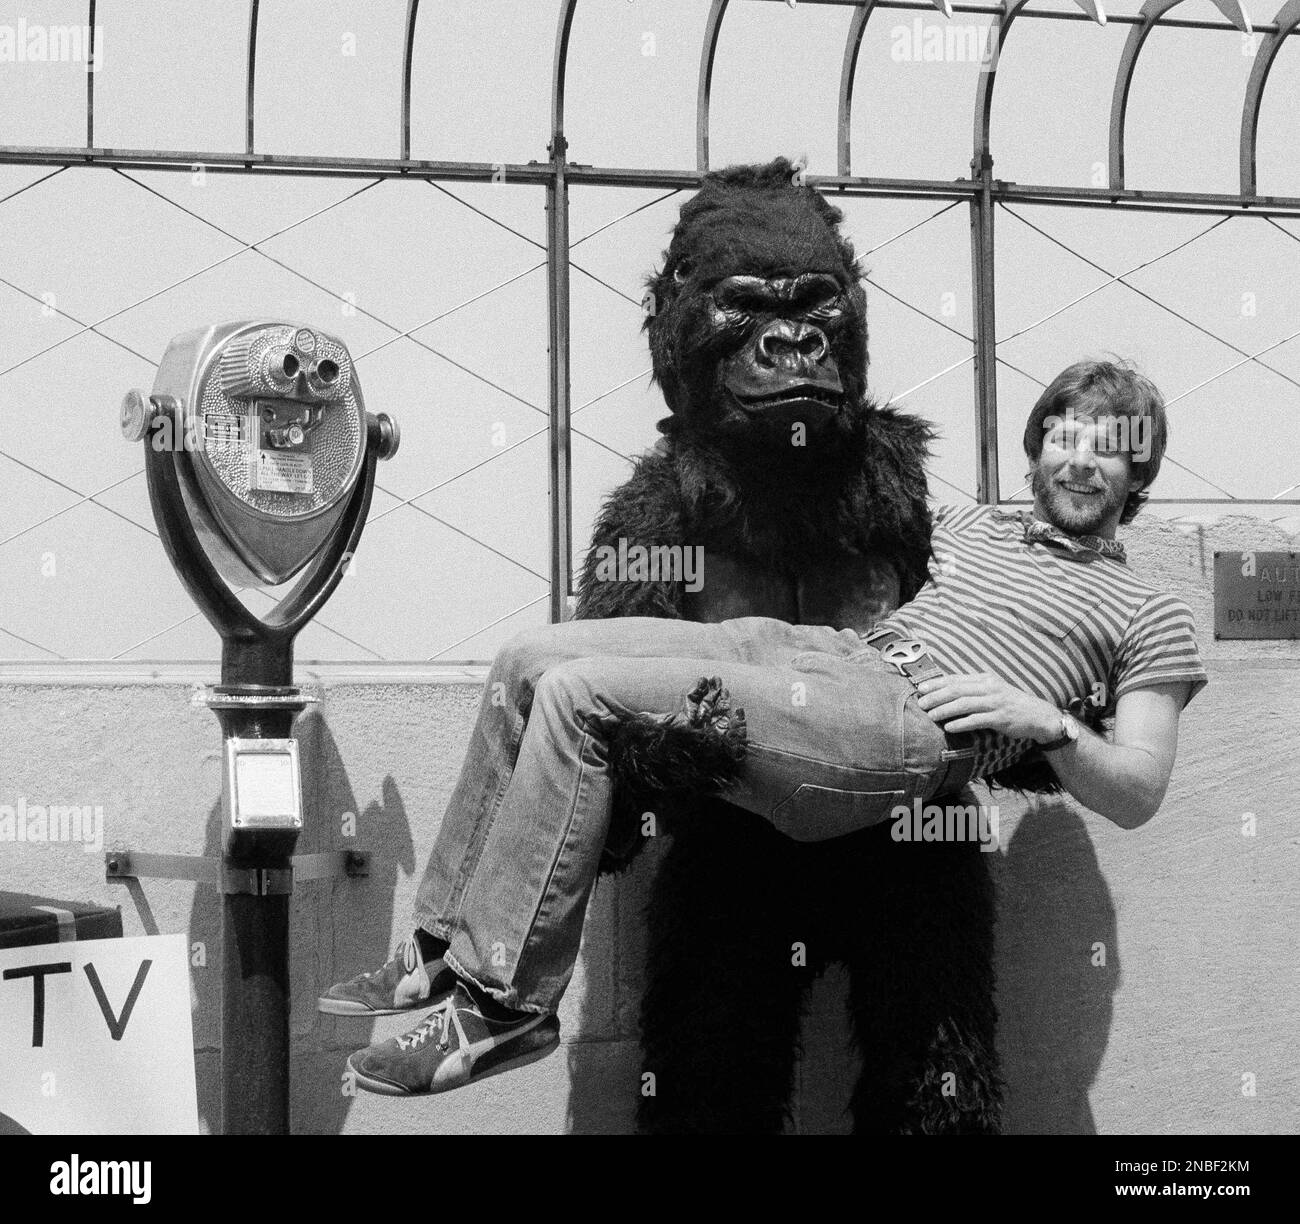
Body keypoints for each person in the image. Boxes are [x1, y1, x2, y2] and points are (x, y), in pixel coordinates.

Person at [320, 358, 1208, 1097]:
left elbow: (1138, 790)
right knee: (530, 659)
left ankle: (506, 1001)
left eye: (1107, 448)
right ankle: (439, 948)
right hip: (818, 654)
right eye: (1063, 436)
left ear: (1139, 474)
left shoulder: (1148, 611)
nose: (1080, 461)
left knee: (583, 697)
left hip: (899, 727)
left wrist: (1044, 720)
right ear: (1036, 450)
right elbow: (830, 504)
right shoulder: (967, 525)